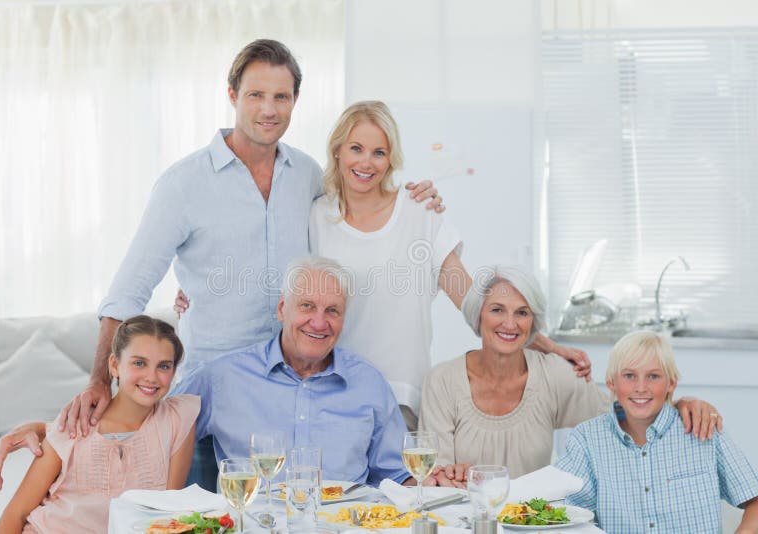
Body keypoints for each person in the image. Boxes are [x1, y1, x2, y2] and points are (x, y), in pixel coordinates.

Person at [44, 39, 439, 491]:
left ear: (295, 102)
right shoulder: (183, 185)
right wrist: (99, 380)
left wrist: (413, 199)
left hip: (295, 388)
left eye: (281, 97)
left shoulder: (308, 175)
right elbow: (128, 291)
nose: (268, 110)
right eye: (256, 95)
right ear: (232, 96)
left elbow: (361, 216)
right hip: (213, 401)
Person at [175, 101, 592, 426]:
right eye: (356, 148)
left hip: (402, 400)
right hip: (328, 397)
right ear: (337, 150)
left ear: (391, 159)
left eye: (379, 152)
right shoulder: (316, 215)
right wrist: (196, 288)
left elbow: (475, 306)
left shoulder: (420, 212)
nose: (366, 162)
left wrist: (550, 347)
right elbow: (271, 269)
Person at [419, 265, 722, 482]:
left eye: (522, 312)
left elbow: (626, 415)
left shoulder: (552, 375)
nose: (509, 324)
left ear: (532, 323)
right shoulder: (443, 381)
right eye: (497, 309)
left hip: (534, 524)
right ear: (478, 316)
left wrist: (680, 405)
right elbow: (436, 478)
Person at [173, 255, 414, 484]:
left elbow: (399, 476)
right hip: (256, 524)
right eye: (307, 306)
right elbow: (155, 430)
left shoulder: (368, 382)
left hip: (345, 524)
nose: (319, 323)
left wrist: (438, 483)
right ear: (281, 309)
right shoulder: (224, 378)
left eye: (332, 311)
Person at [0, 316, 199, 534]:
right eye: (139, 363)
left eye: (164, 366)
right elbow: (15, 514)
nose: (152, 376)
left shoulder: (179, 418)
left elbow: (166, 513)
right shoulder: (72, 426)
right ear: (114, 365)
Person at [555, 331, 758, 534]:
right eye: (629, 376)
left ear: (671, 383)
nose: (641, 387)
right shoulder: (587, 439)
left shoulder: (703, 428)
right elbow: (564, 514)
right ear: (611, 383)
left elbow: (755, 502)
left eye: (653, 376)